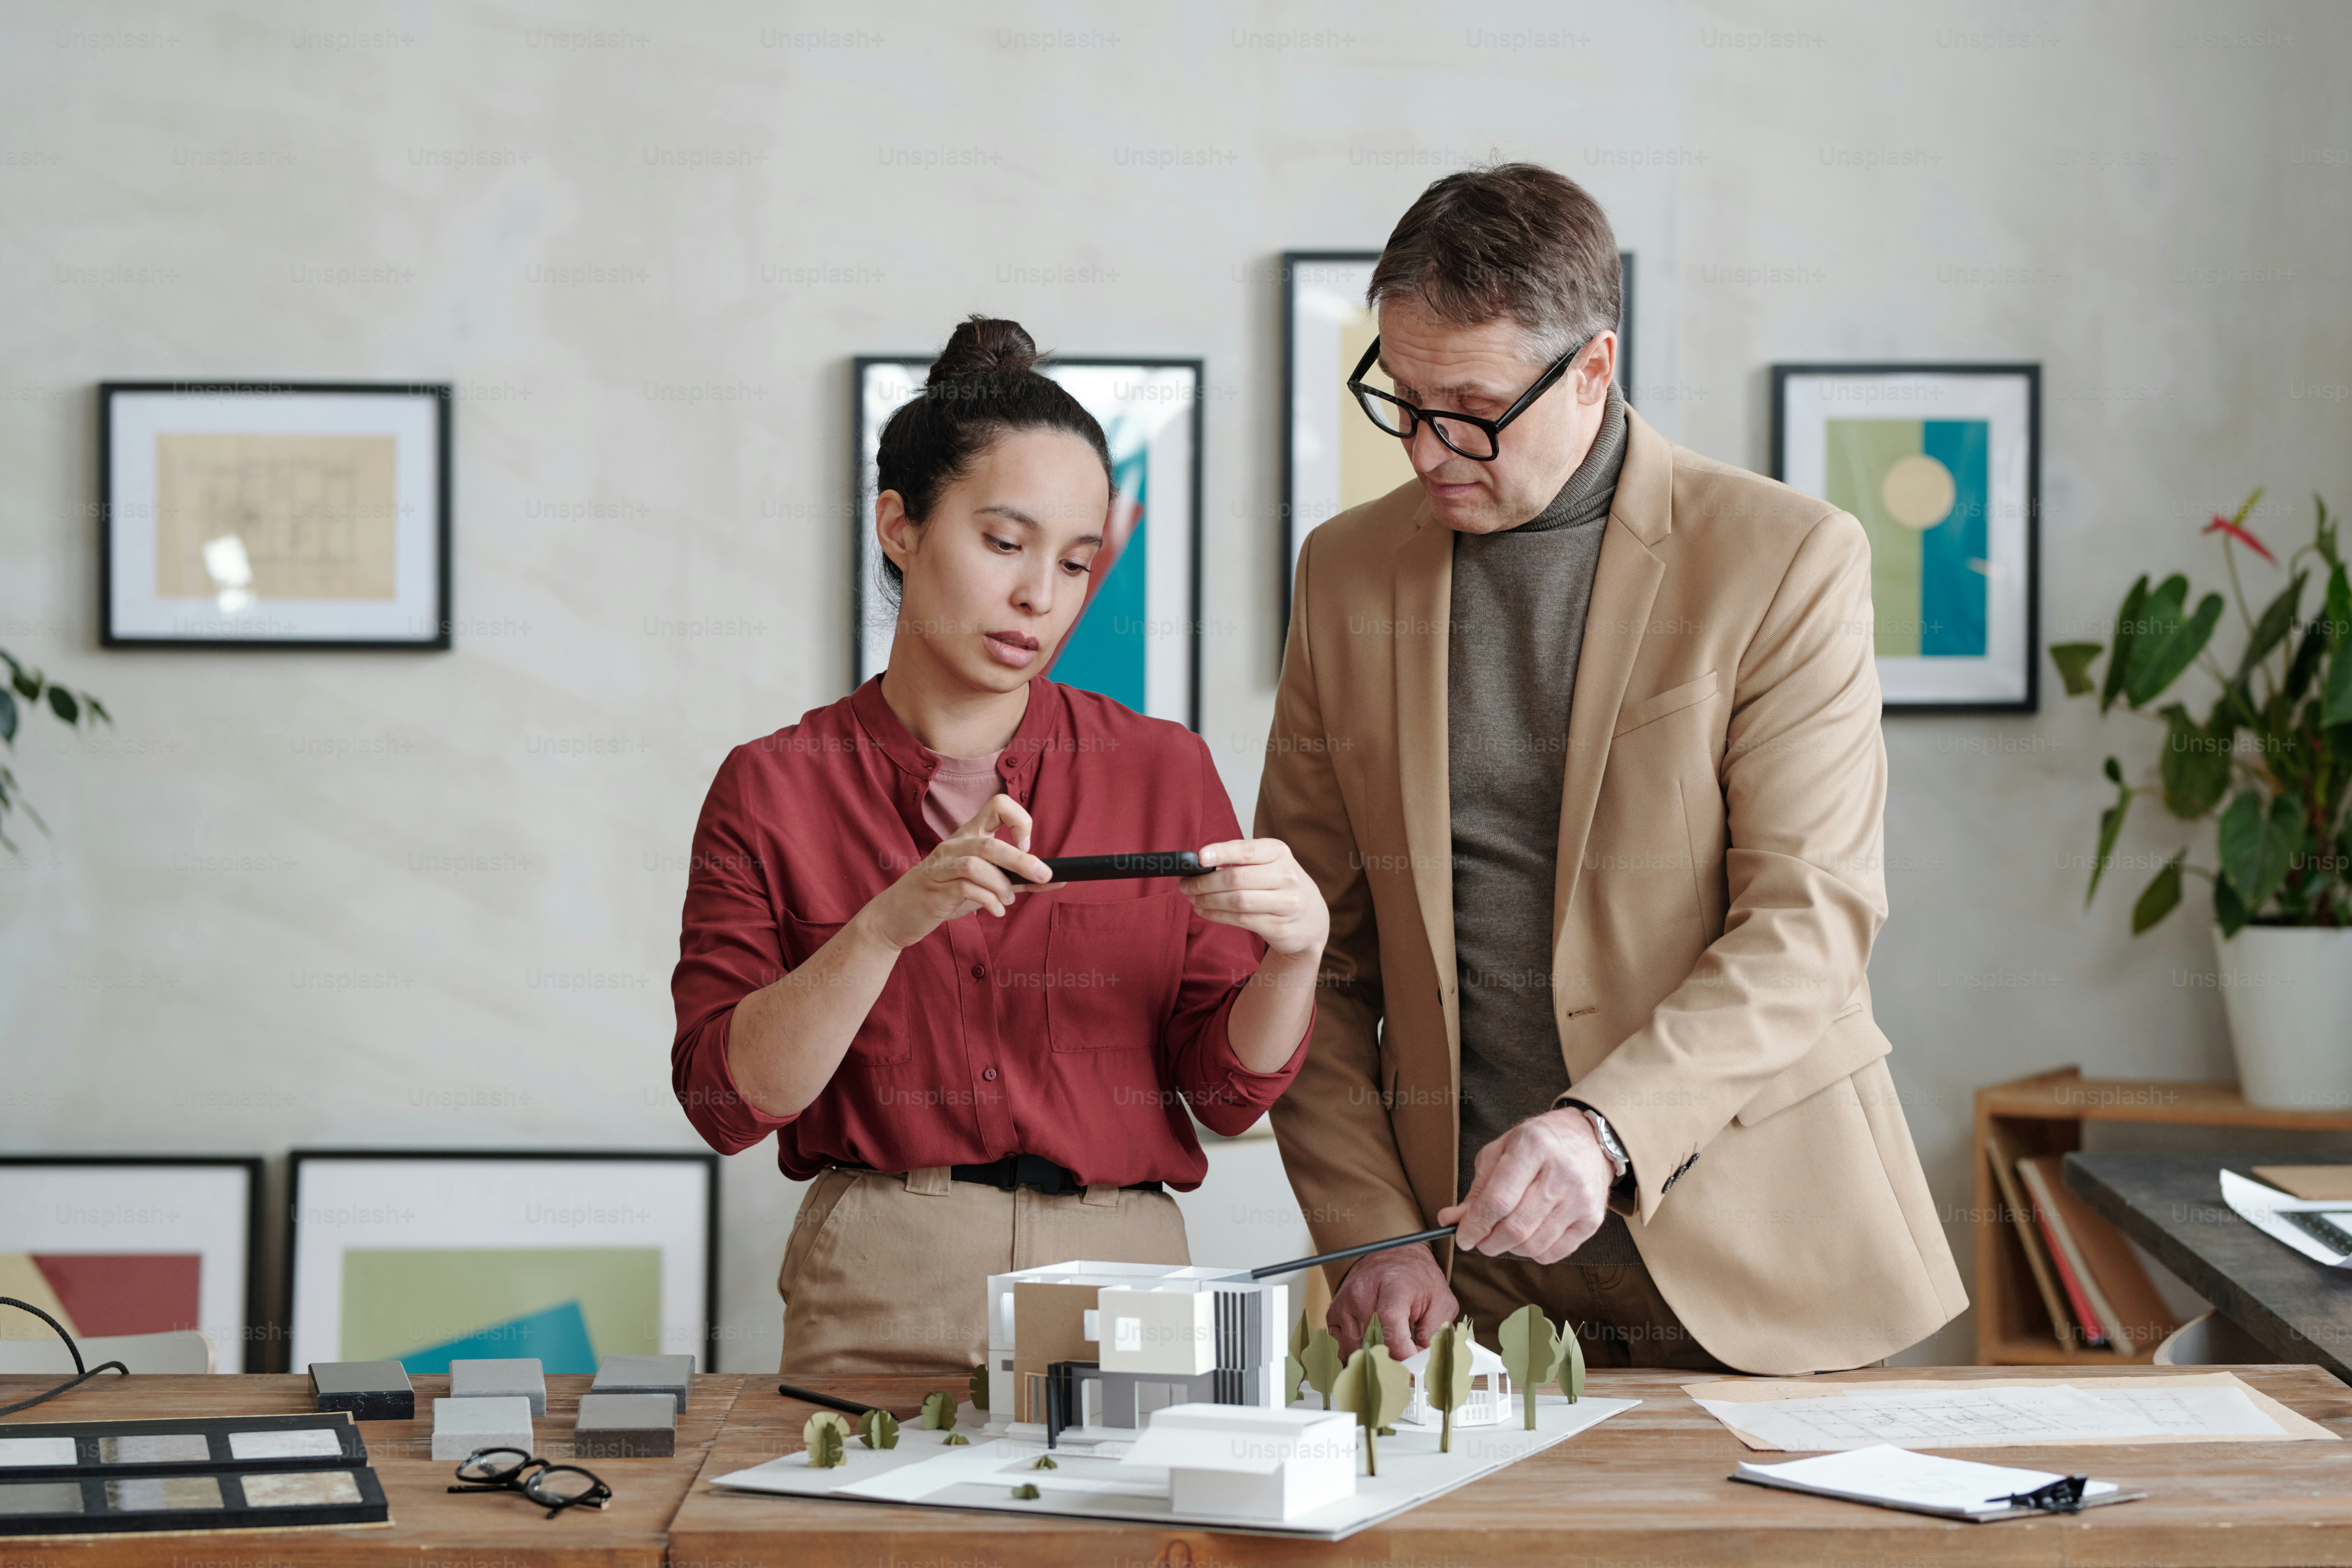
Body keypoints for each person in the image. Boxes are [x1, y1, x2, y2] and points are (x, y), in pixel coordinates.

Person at [1259, 165, 1965, 1374]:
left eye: (1470, 407)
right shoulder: (1343, 571)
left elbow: (1808, 919)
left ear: (1591, 368)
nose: (1427, 448)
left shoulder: (1782, 556)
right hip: (1458, 1286)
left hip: (1761, 1268)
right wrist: (1367, 1228)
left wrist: (1603, 1132)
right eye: (1402, 399)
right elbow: (1306, 946)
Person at [671, 316, 1325, 1376]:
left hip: (1130, 1279)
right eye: (1004, 543)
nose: (1040, 597)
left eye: (1075, 563)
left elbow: (1221, 1092)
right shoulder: (772, 784)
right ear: (899, 525)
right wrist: (886, 925)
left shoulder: (1162, 769)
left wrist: (1297, 955)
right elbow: (723, 1101)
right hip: (882, 1282)